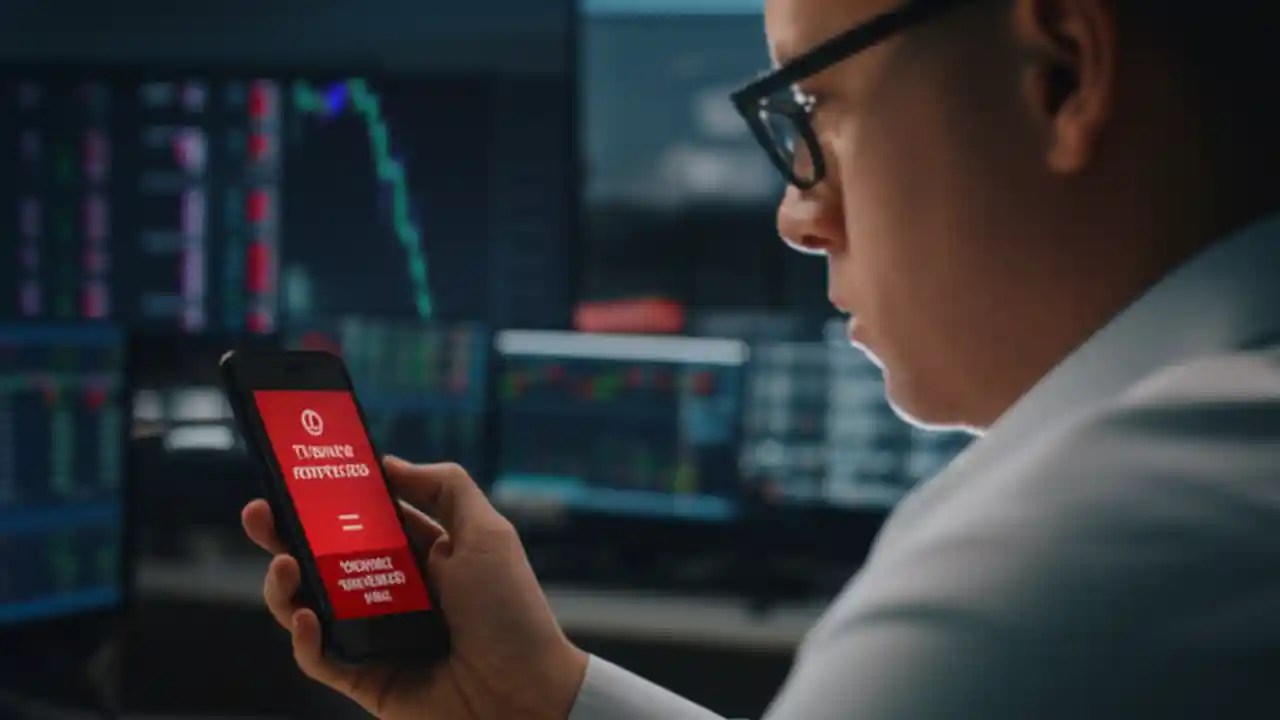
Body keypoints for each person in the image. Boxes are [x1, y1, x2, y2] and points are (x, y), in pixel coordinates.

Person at [242, 0, 1280, 716]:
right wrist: (534, 702)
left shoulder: (1089, 559)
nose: (796, 216)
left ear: (1058, 71)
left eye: (810, 112)